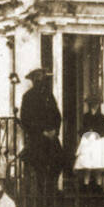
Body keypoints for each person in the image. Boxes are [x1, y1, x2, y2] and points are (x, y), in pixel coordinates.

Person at [18, 67, 63, 197]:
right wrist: (41, 131)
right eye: (36, 78)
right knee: (39, 165)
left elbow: (57, 115)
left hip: (51, 137)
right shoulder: (28, 97)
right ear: (32, 80)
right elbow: (25, 119)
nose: (39, 80)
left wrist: (55, 130)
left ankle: (52, 189)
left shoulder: (49, 95)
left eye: (41, 78)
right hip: (37, 138)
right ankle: (41, 193)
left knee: (60, 161)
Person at [72, 94, 104, 192]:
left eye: (97, 104)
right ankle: (86, 185)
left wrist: (98, 134)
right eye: (93, 104)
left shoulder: (102, 117)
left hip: (98, 141)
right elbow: (83, 128)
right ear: (90, 105)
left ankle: (98, 185)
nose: (95, 106)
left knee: (98, 163)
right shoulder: (86, 116)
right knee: (87, 163)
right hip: (88, 140)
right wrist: (88, 132)